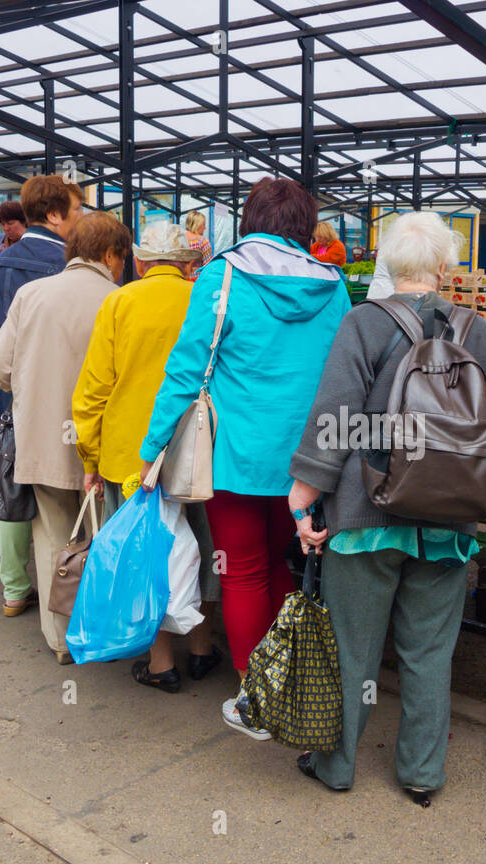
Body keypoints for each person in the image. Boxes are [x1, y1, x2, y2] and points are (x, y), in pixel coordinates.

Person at [286, 212, 486, 805]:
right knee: (428, 652)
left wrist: (306, 494)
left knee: (353, 648)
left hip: (368, 515)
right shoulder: (476, 331)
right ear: (445, 268)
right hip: (448, 523)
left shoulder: (363, 324)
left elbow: (335, 414)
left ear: (388, 267)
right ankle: (422, 773)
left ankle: (336, 766)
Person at [137, 176, 351, 737]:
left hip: (235, 457)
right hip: (309, 459)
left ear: (251, 220)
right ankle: (282, 683)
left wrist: (153, 448)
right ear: (305, 227)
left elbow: (185, 371)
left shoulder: (222, 276)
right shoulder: (334, 283)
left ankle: (254, 697)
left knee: (242, 572)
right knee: (284, 565)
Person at [72, 220, 223, 688]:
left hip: (130, 455)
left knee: (145, 554)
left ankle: (162, 665)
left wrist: (90, 459)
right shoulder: (206, 299)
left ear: (138, 262)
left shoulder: (119, 301)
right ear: (188, 265)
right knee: (201, 548)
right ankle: (201, 648)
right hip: (199, 451)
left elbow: (94, 389)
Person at [0, 212, 126, 663]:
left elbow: (0, 365)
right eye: (122, 257)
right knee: (104, 536)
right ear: (109, 255)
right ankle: (105, 630)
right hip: (106, 445)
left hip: (43, 439)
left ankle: (61, 639)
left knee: (53, 538)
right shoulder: (120, 300)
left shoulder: (31, 294)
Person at [0, 174, 84, 618]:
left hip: (8, 389)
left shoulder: (1, 263)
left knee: (9, 483)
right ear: (54, 214)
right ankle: (70, 592)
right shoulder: (69, 262)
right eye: (77, 210)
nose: (80, 219)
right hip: (64, 393)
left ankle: (14, 588)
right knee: (63, 494)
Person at [183, 210, 212, 280]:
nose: (205, 228)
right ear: (197, 225)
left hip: (180, 279)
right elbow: (208, 267)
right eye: (203, 224)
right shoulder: (203, 241)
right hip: (196, 281)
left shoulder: (179, 239)